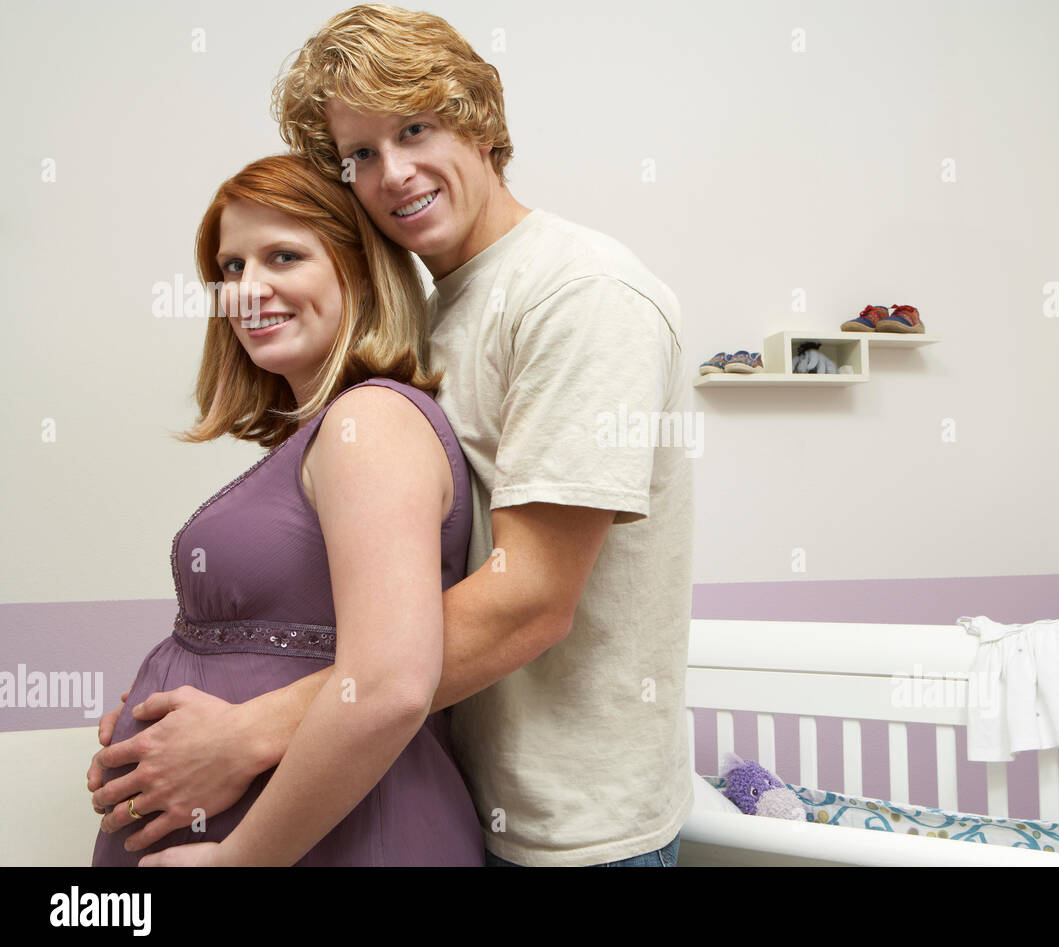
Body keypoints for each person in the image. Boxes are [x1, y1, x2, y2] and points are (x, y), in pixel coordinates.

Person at [90, 2, 695, 867]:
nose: (394, 172)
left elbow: (530, 601)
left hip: (571, 830)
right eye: (361, 153)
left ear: (482, 123)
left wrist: (248, 731)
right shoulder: (434, 311)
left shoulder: (582, 295)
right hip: (461, 784)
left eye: (415, 129)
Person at [91, 151, 484, 866]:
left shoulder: (372, 424)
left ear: (358, 269)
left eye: (282, 256)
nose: (247, 289)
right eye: (231, 268)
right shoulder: (322, 433)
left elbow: (391, 686)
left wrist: (235, 861)